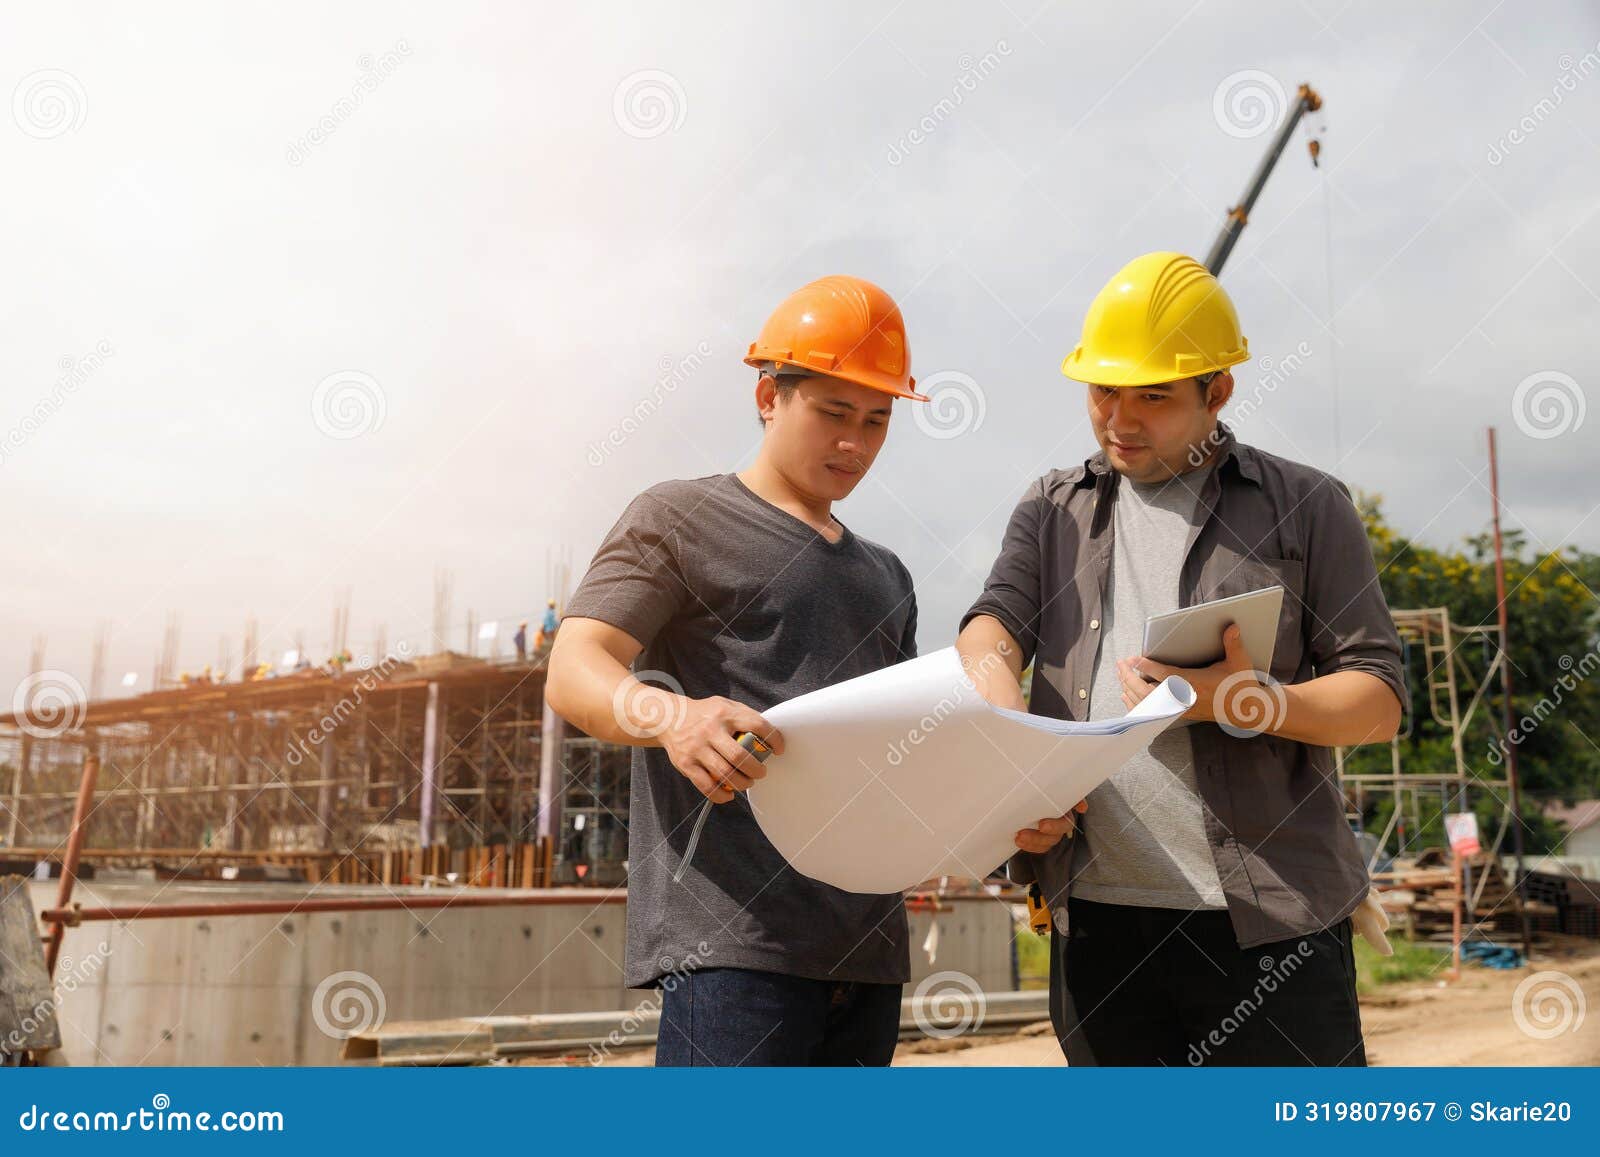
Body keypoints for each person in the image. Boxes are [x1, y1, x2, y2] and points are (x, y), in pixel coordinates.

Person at [957, 252, 1405, 1066]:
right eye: (1104, 392)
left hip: (1272, 922)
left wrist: (1251, 699)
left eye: (1154, 396)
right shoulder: (1051, 507)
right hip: (1095, 919)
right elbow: (993, 627)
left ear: (1219, 390)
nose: (1120, 420)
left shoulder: (1307, 507)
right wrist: (1006, 729)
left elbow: (1378, 698)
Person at [547, 275, 927, 1066]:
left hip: (867, 952)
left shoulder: (888, 577)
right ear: (767, 395)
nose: (854, 442)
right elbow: (575, 667)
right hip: (731, 947)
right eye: (831, 412)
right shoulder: (680, 518)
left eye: (876, 420)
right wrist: (671, 716)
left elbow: (910, 748)